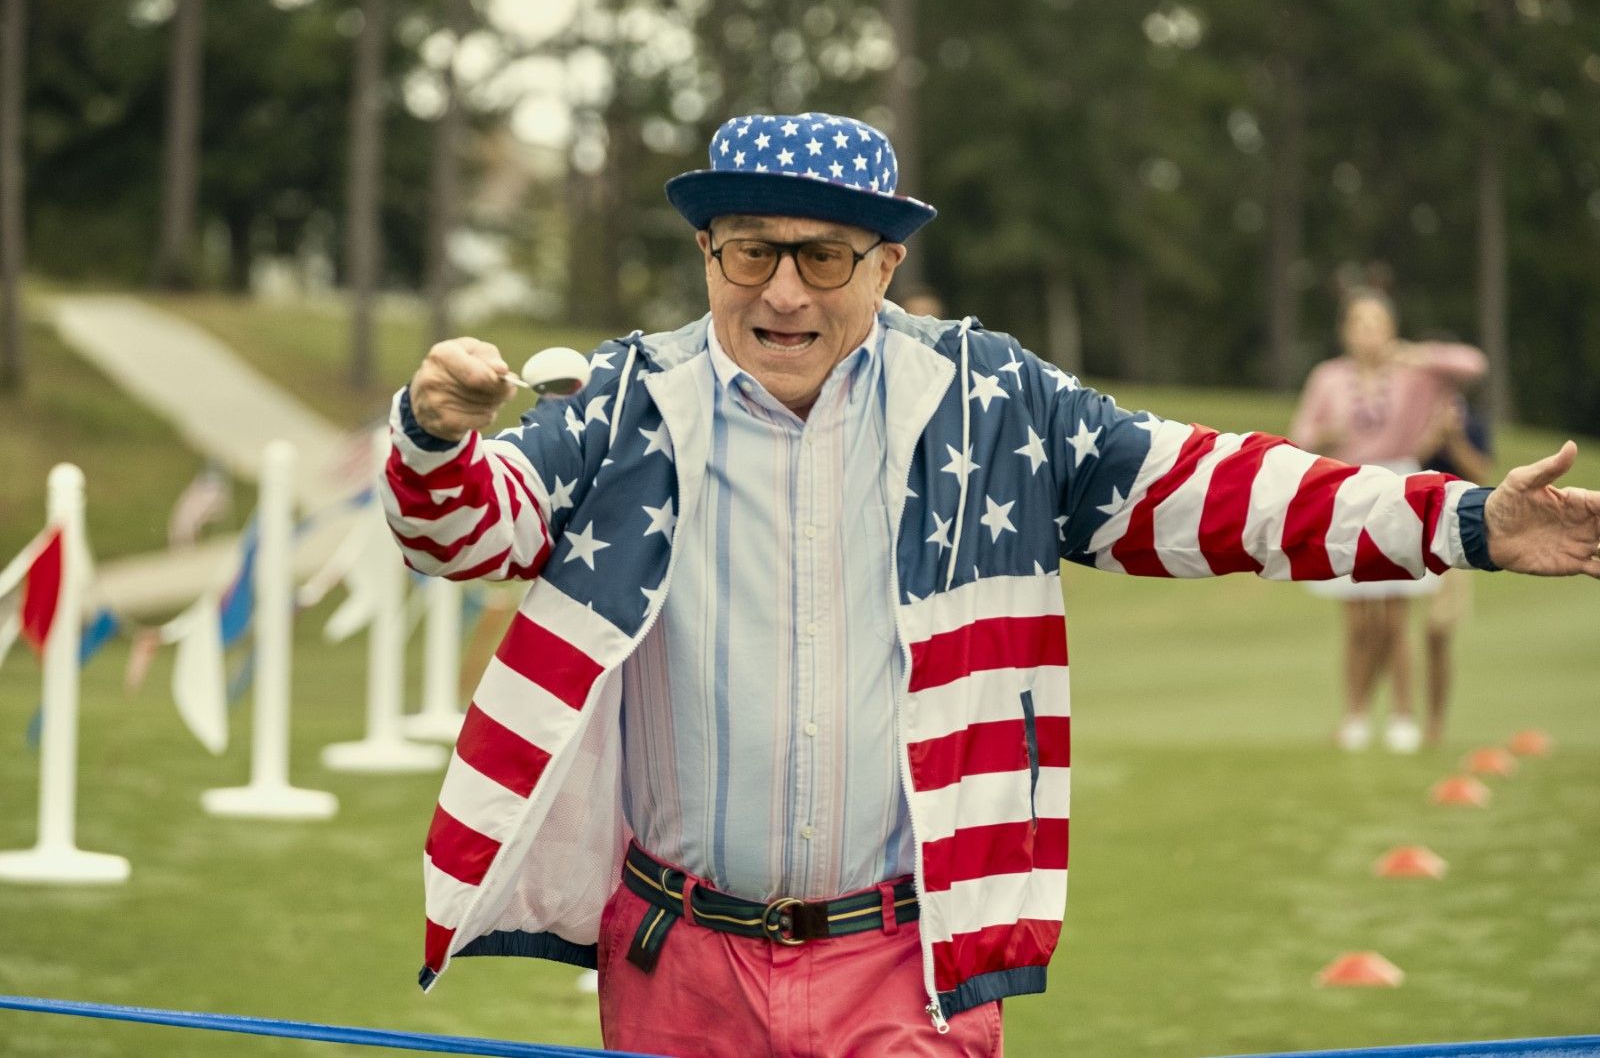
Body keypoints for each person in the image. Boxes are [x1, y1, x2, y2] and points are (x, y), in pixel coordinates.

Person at [385, 112, 1600, 1057]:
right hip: (674, 955)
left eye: (823, 254)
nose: (784, 291)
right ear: (708, 249)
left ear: (887, 259)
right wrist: (433, 438)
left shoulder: (989, 398)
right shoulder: (624, 399)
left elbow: (1218, 489)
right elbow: (464, 536)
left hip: (905, 959)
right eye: (750, 250)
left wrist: (1473, 519)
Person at [1287, 289, 1487, 753]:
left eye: (1377, 323)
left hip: (1399, 485)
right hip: (1344, 488)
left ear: (1391, 329)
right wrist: (1324, 435)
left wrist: (1415, 352)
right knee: (1358, 621)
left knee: (1397, 616)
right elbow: (1300, 433)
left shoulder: (1414, 373)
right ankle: (1354, 715)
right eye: (1359, 323)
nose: (1368, 333)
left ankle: (1402, 717)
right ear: (1345, 331)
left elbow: (1473, 365)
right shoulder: (1329, 377)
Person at [1416, 391, 1496, 745]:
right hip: (1406, 529)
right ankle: (1397, 721)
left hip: (1453, 536)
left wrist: (1455, 438)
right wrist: (1433, 434)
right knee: (1387, 628)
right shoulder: (1413, 417)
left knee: (1437, 632)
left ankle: (1434, 725)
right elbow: (1405, 461)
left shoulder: (1473, 424)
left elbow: (1481, 473)